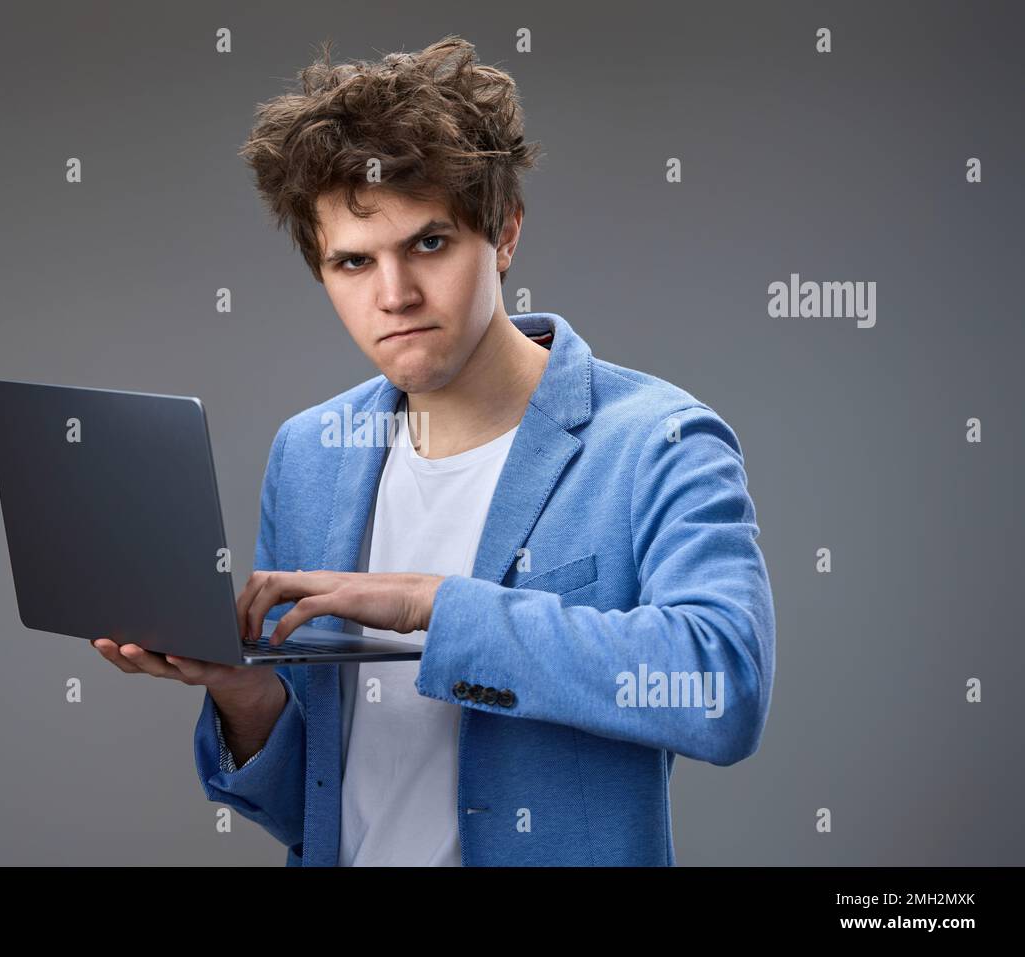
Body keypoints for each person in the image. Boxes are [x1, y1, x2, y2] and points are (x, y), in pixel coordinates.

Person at [92, 34, 775, 866]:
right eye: (352, 261)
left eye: (428, 243)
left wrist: (434, 605)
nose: (394, 295)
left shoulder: (656, 441)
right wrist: (242, 689)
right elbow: (314, 805)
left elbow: (723, 690)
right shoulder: (310, 455)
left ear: (506, 233)